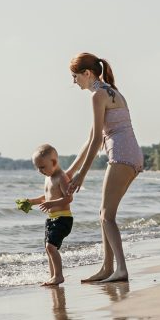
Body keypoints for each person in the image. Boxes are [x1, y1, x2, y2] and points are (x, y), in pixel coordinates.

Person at [65, 53, 143, 283]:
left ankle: (121, 269)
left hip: (121, 156)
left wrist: (81, 175)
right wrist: (71, 171)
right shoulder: (113, 91)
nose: (73, 81)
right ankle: (107, 267)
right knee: (104, 214)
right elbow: (92, 138)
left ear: (87, 74)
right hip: (133, 156)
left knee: (107, 216)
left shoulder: (98, 96)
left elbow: (97, 141)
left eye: (75, 76)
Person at [20, 144, 74, 286]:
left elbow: (69, 198)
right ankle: (53, 276)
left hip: (63, 218)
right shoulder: (48, 177)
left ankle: (59, 276)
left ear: (54, 162)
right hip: (51, 219)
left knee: (51, 247)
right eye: (37, 167)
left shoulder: (61, 177)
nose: (40, 171)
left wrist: (51, 204)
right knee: (48, 248)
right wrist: (32, 201)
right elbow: (46, 196)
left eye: (42, 167)